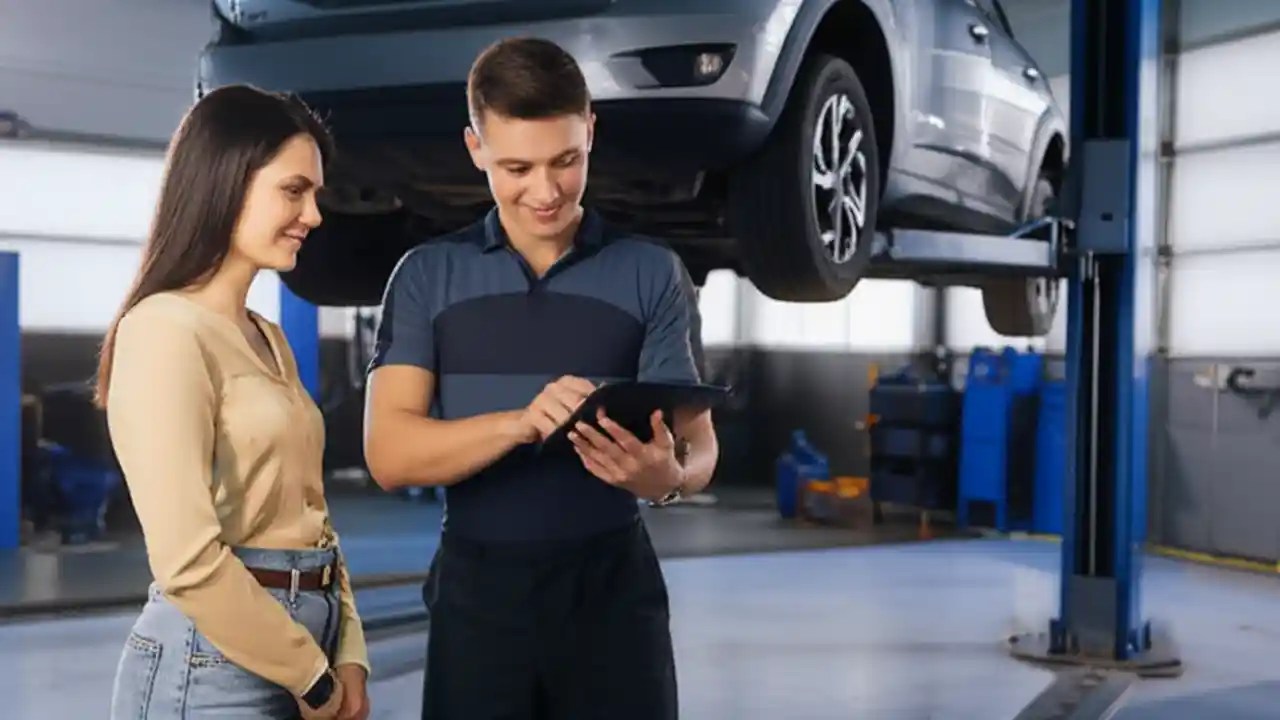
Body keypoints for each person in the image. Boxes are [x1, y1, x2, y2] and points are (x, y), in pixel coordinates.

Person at [363, 36, 719, 720]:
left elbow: (698, 443)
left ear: (590, 131)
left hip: (614, 592)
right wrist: (519, 423)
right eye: (516, 167)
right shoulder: (426, 276)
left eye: (566, 160)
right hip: (478, 595)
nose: (546, 191)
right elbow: (389, 455)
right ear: (476, 149)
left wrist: (669, 481)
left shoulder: (651, 272)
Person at [95, 84, 371, 720]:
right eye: (293, 190)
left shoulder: (269, 337)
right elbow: (186, 560)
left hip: (308, 647)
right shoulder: (164, 329)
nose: (314, 215)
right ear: (227, 181)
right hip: (210, 668)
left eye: (316, 195)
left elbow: (313, 512)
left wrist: (348, 653)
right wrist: (315, 679)